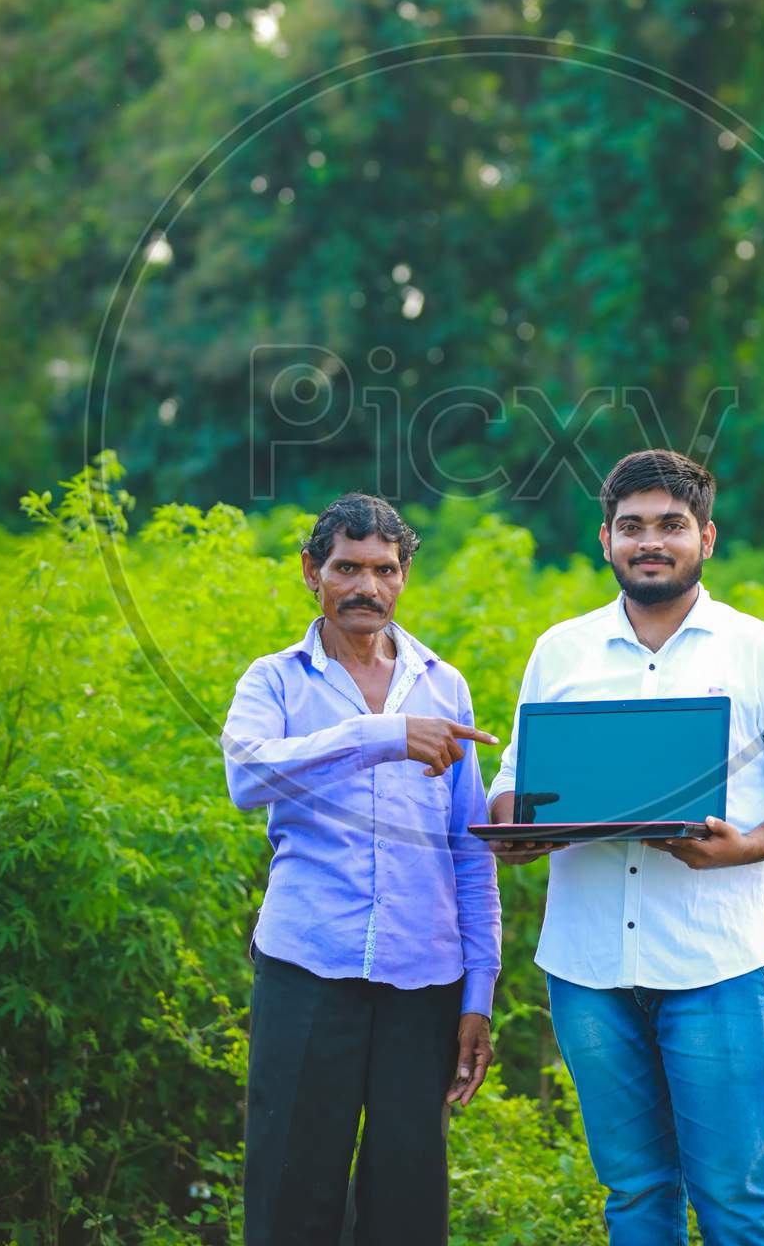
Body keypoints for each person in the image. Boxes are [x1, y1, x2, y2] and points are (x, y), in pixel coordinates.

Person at [487, 449, 764, 1246]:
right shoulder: (561, 652)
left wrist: (746, 844)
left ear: (706, 538)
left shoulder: (762, 651)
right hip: (586, 969)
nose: (649, 542)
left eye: (669, 526)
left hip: (713, 966)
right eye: (631, 527)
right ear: (605, 539)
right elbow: (515, 778)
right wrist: (514, 827)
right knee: (633, 1193)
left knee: (733, 1195)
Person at [221, 492, 501, 1246]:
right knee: (290, 1194)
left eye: (382, 570)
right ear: (312, 571)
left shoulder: (445, 684)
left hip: (425, 982)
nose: (364, 589)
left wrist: (479, 991)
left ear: (404, 575)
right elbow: (248, 778)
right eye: (346, 568)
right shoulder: (275, 681)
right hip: (308, 969)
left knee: (408, 1202)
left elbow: (469, 852)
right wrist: (383, 735)